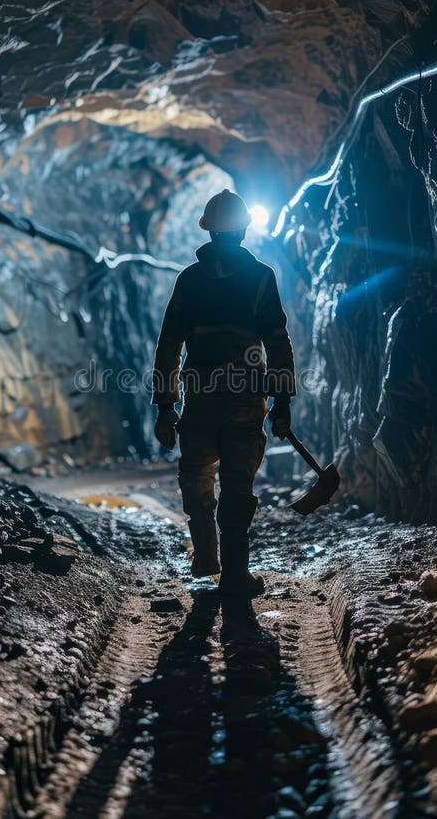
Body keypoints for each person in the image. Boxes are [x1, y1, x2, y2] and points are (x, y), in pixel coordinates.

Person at [152, 189, 296, 596]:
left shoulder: (189, 280)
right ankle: (234, 573)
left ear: (210, 232)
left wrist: (166, 406)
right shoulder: (261, 277)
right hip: (245, 400)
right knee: (237, 484)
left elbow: (169, 345)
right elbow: (278, 342)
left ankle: (205, 557)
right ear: (244, 230)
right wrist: (281, 403)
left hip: (199, 400)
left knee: (196, 476)